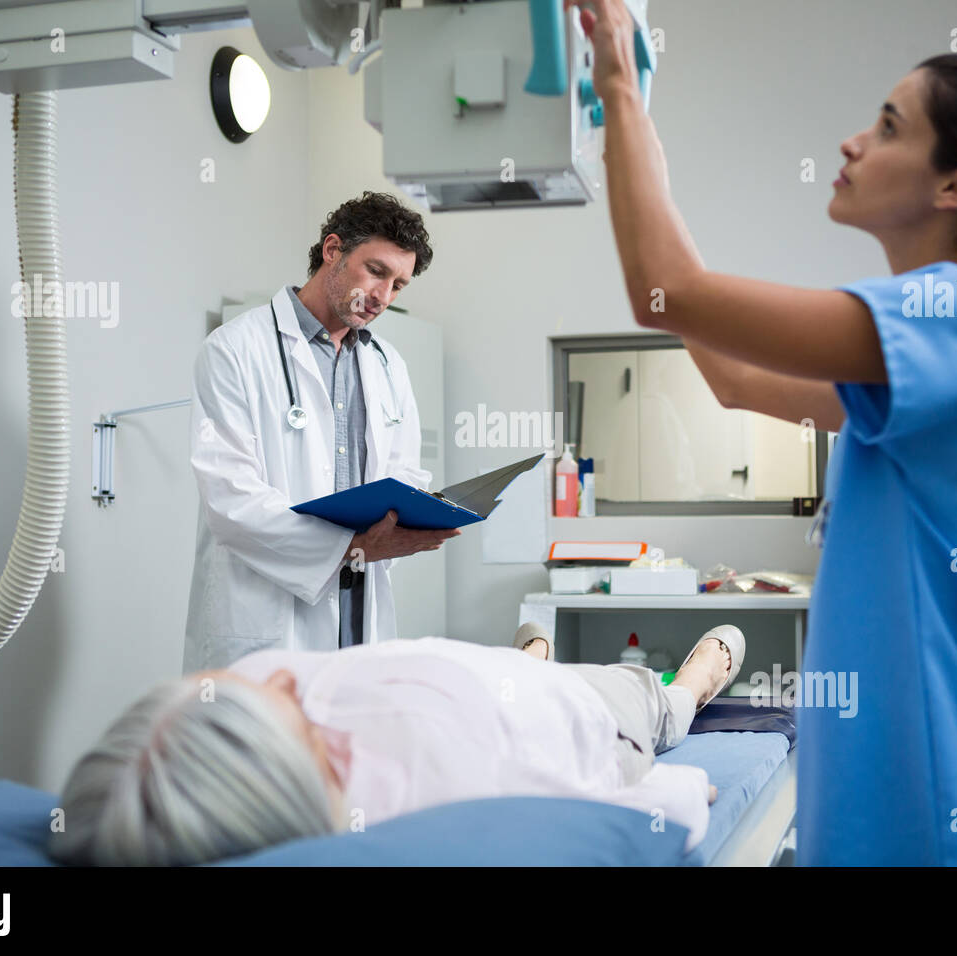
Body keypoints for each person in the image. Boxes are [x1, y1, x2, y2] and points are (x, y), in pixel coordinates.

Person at [572, 0, 957, 864]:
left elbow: (665, 290)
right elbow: (730, 377)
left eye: (887, 127)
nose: (852, 143)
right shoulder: (945, 346)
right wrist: (634, 129)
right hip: (896, 813)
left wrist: (618, 81)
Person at [49, 626, 745, 866]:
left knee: (521, 671)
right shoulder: (453, 796)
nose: (291, 681)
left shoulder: (238, 689)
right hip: (583, 710)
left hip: (462, 674)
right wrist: (688, 787)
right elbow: (647, 808)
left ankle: (531, 655)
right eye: (305, 729)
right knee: (655, 704)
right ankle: (692, 679)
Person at [183, 192, 460, 671]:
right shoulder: (234, 349)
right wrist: (350, 548)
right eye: (376, 271)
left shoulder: (387, 364)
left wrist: (415, 517)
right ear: (333, 250)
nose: (383, 298)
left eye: (398, 285)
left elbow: (405, 472)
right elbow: (231, 499)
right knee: (266, 743)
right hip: (266, 624)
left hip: (357, 615)